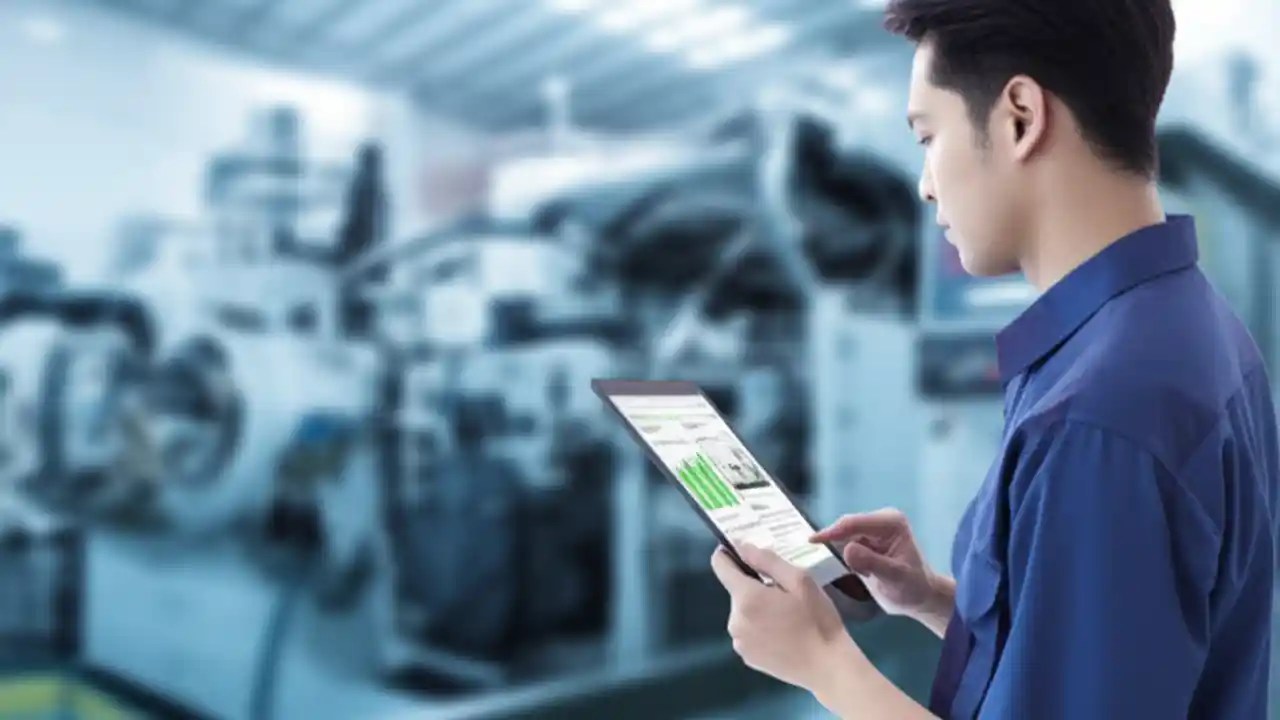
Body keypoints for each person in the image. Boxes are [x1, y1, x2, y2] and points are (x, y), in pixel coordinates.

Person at [709, 1, 1280, 718]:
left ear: (1019, 117)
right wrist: (933, 598)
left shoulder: (1098, 418)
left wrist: (823, 661)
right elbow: (1117, 661)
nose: (925, 184)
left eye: (928, 136)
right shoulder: (1188, 327)